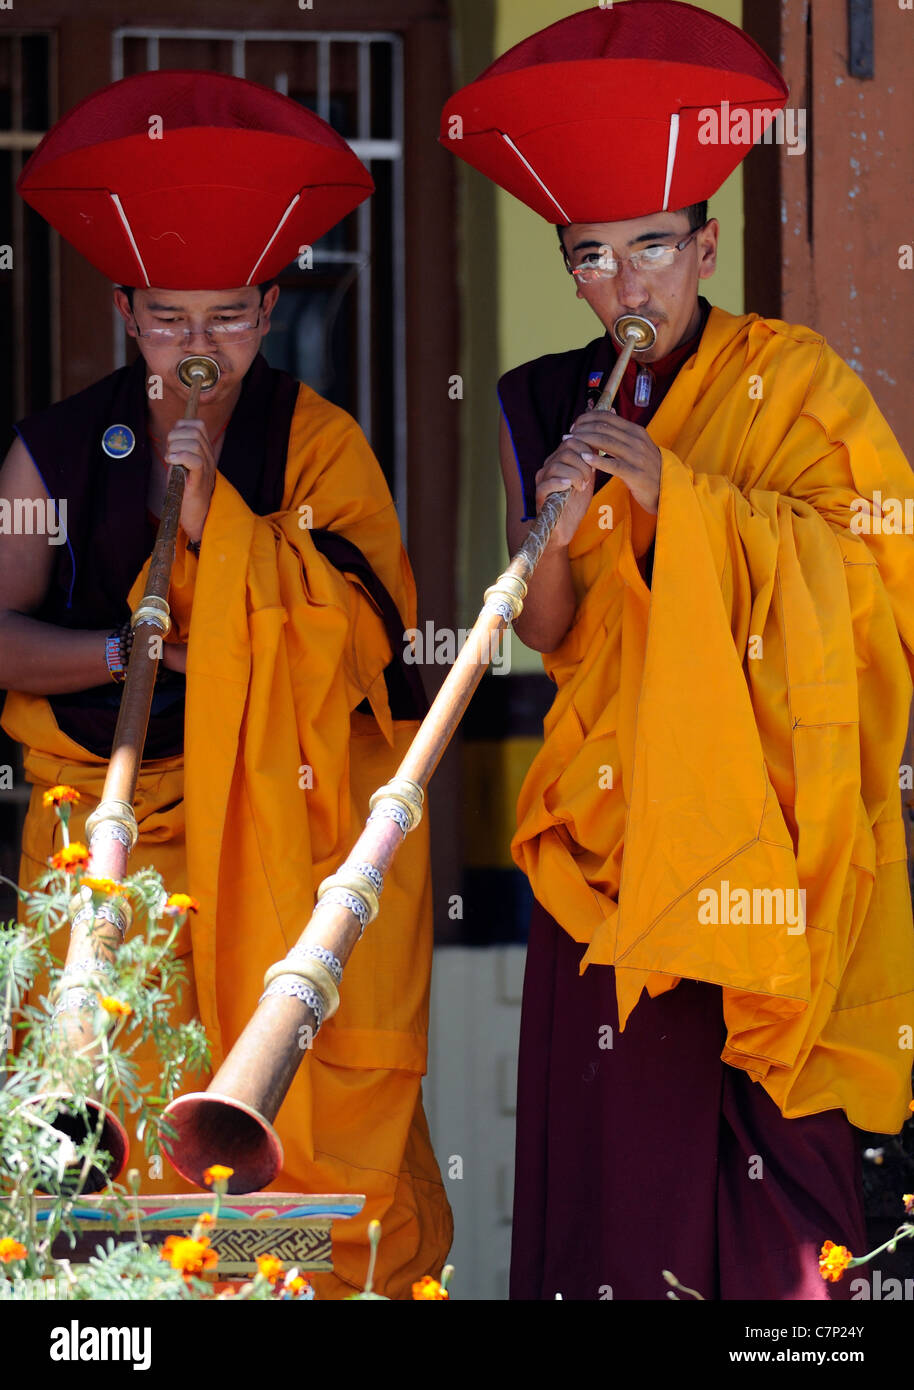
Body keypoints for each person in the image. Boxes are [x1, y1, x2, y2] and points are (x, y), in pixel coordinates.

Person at [442, 2, 914, 1300]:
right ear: (569, 268)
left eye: (653, 247)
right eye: (592, 257)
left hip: (764, 832)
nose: (625, 285)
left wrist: (675, 495)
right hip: (613, 838)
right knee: (621, 1179)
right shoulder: (540, 398)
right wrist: (553, 523)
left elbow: (874, 582)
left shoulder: (795, 384)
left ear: (705, 245)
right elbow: (545, 634)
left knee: (778, 1183)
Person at [1, 68, 452, 1299]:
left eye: (229, 320)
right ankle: (116, 1308)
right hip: (110, 840)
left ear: (266, 306)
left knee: (283, 1150)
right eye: (169, 321)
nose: (200, 350)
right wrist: (122, 655)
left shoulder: (317, 444)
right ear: (125, 309)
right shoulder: (52, 449)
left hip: (285, 844)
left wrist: (217, 516)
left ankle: (257, 1288)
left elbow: (373, 644)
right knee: (100, 1130)